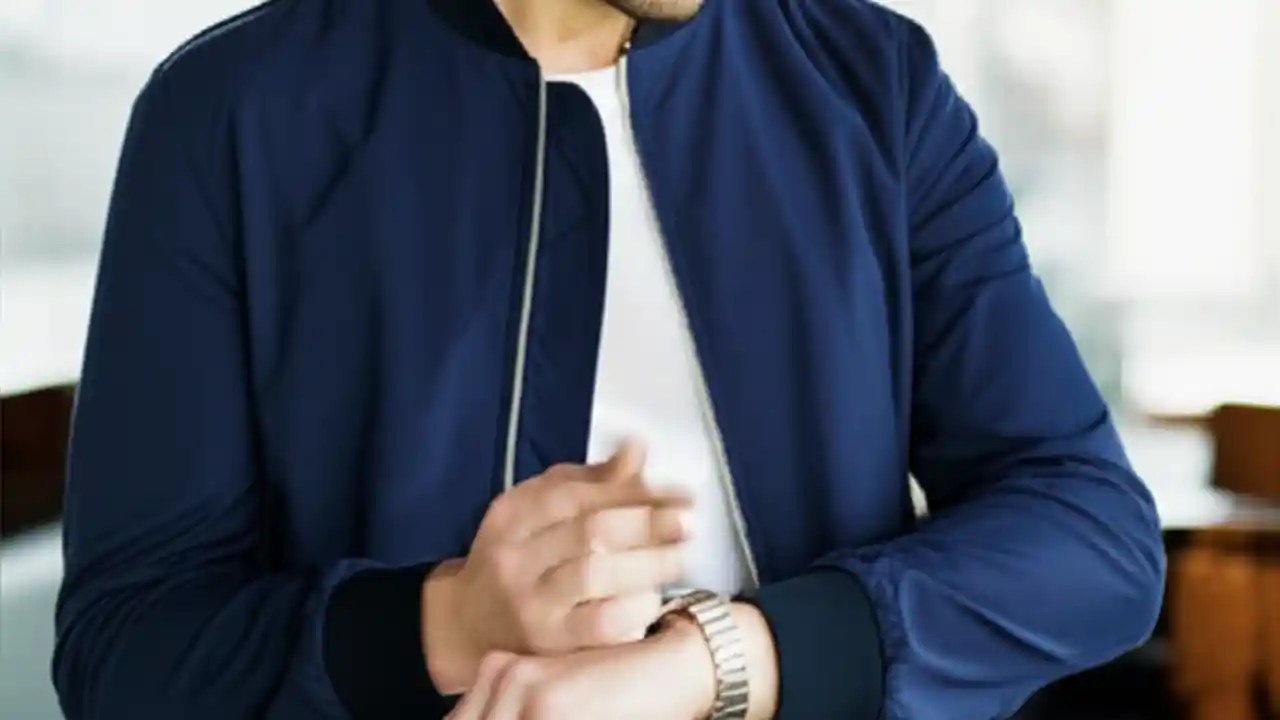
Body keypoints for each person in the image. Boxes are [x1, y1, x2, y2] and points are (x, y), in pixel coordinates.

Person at [52, 0, 1166, 718]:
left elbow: (1088, 534)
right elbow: (126, 650)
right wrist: (445, 625)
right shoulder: (232, 114)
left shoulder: (876, 89)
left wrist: (717, 663)